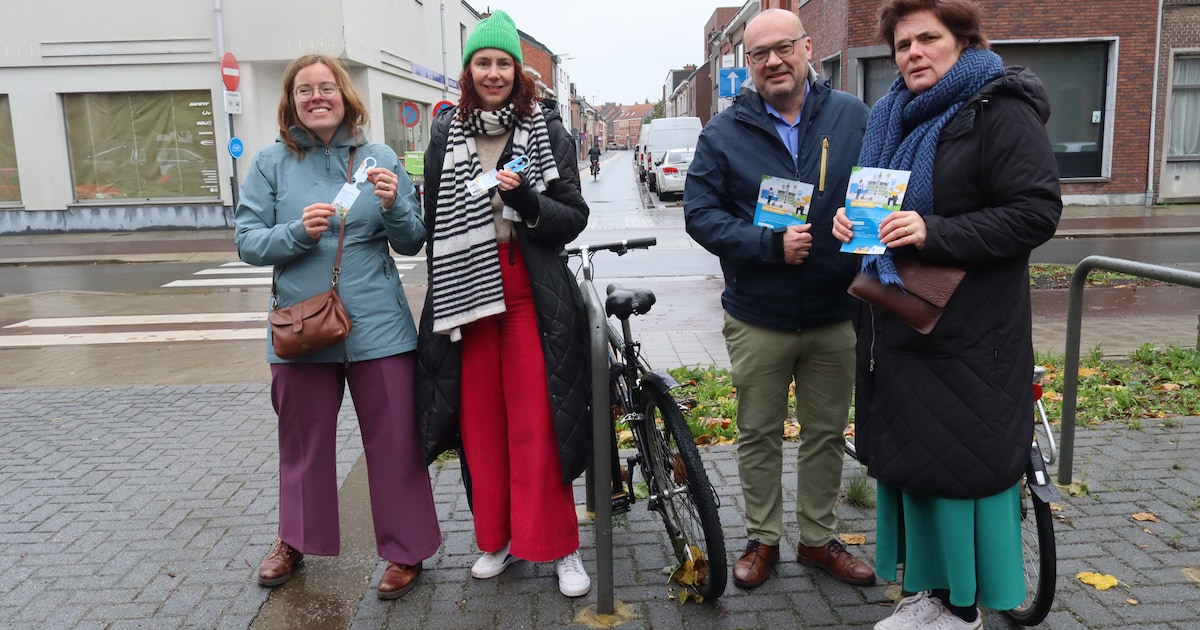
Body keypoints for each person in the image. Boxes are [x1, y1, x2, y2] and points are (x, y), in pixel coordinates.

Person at [832, 1, 1062, 628]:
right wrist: (852, 221)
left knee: (958, 470)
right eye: (903, 43)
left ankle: (963, 609)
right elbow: (878, 205)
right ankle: (928, 594)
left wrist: (933, 232)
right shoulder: (891, 117)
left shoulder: (999, 109)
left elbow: (1035, 213)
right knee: (916, 468)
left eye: (928, 38)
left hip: (969, 335)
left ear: (962, 41)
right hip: (900, 326)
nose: (913, 53)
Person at [234, 53, 441, 600]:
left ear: (345, 95)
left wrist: (396, 206)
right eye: (305, 90)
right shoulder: (270, 163)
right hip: (301, 328)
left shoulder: (378, 157)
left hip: (378, 329)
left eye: (327, 87)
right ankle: (295, 539)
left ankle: (406, 550)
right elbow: (247, 240)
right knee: (302, 444)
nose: (317, 96)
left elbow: (413, 239)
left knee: (395, 442)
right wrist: (295, 234)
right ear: (291, 102)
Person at [683, 8, 875, 590]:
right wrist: (766, 244)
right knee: (758, 432)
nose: (772, 61)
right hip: (759, 314)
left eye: (782, 48)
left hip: (835, 309)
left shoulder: (852, 116)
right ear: (749, 64)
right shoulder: (722, 132)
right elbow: (700, 215)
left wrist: (860, 220)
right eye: (759, 54)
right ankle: (762, 538)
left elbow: (881, 186)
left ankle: (817, 540)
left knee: (825, 432)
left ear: (807, 47)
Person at [415, 9, 593, 598]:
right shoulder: (446, 132)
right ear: (469, 71)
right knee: (482, 423)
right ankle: (497, 538)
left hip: (528, 292)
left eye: (504, 63)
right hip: (467, 293)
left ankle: (559, 546)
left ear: (520, 71)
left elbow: (572, 216)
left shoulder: (547, 129)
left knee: (537, 422)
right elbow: (435, 219)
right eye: (483, 62)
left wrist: (532, 202)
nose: (494, 72)